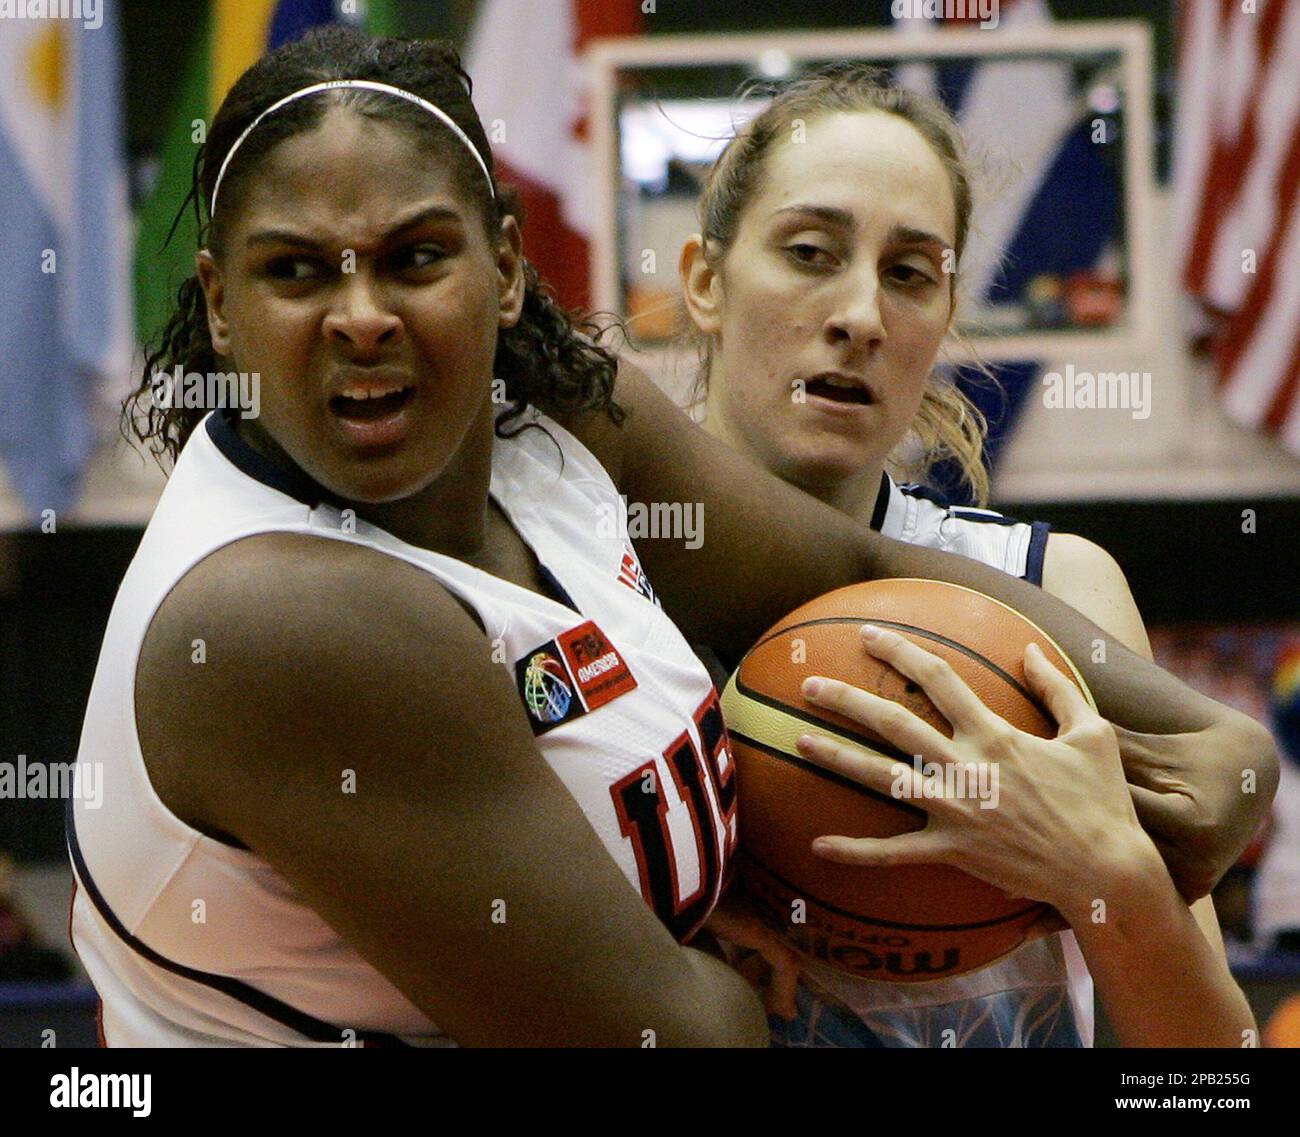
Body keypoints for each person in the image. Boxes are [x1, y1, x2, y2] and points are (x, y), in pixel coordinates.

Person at [69, 28, 1272, 1047]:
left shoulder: (565, 424)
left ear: (502, 269)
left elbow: (1200, 1065)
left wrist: (1187, 775)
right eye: (294, 272)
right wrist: (685, 938)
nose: (362, 317)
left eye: (415, 256)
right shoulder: (285, 619)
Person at [677, 64, 1254, 1046]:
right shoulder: (592, 586)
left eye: (908, 274)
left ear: (943, 316)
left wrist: (1104, 875)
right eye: (809, 251)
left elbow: (1210, 1074)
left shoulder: (1054, 589)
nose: (860, 315)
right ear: (703, 280)